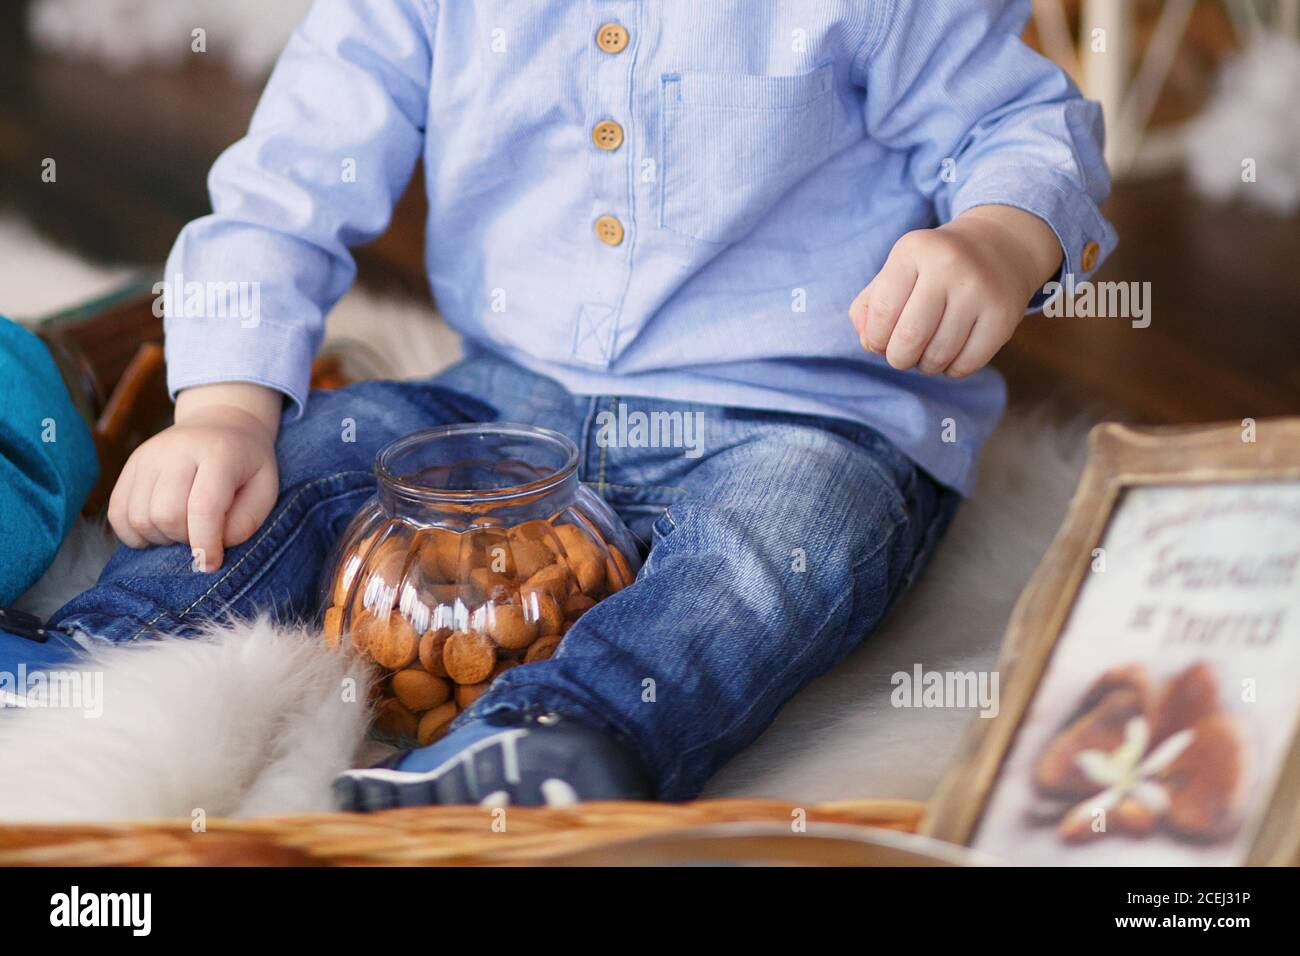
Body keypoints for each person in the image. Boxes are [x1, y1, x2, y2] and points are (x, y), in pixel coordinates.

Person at [12, 0, 1115, 807]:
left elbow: (1025, 127)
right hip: (511, 385)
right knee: (299, 465)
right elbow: (282, 185)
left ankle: (560, 736)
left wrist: (994, 240)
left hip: (802, 405)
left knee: (779, 549)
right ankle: (96, 649)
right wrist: (224, 405)